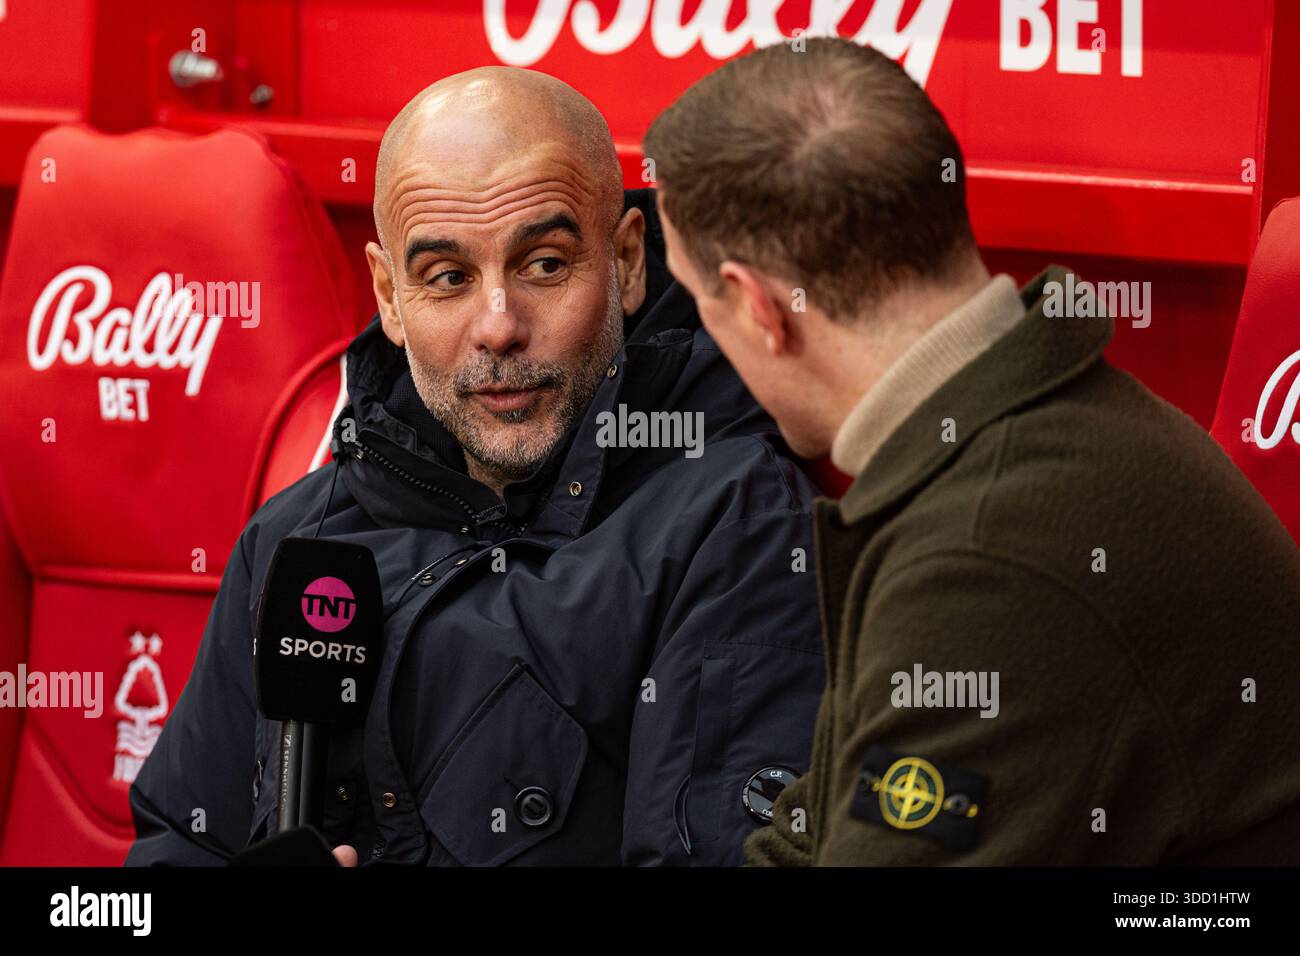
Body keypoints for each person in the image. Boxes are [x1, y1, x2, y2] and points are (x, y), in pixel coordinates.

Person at [126, 67, 825, 866]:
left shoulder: (734, 520)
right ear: (390, 297)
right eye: (449, 279)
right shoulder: (296, 535)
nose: (498, 327)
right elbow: (174, 849)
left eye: (545, 265)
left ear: (627, 262)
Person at [643, 37, 1300, 865]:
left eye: (698, 299)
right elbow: (809, 837)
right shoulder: (1016, 434)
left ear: (759, 308)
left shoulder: (988, 553)